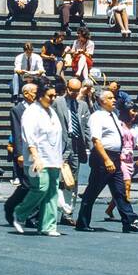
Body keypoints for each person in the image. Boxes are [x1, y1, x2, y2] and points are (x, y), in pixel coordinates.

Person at [75, 88, 138, 232]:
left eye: (113, 98)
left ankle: (129, 221)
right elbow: (96, 140)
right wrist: (106, 160)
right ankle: (82, 222)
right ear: (102, 101)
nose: (114, 100)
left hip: (116, 157)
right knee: (93, 191)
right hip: (103, 157)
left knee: (120, 191)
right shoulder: (97, 116)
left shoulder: (113, 115)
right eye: (110, 98)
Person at [13, 81, 66, 236]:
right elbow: (29, 137)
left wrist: (60, 159)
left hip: (53, 159)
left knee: (52, 192)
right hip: (36, 159)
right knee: (41, 187)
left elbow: (57, 137)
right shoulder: (31, 112)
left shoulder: (51, 112)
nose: (53, 98)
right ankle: (20, 214)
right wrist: (36, 157)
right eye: (50, 95)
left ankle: (48, 226)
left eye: (54, 95)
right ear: (41, 95)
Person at [51, 75, 91, 225]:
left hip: (76, 145)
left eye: (77, 90)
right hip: (60, 144)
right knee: (57, 179)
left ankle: (67, 213)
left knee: (71, 181)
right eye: (71, 90)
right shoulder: (57, 103)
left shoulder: (83, 105)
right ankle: (52, 210)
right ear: (67, 88)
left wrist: (90, 146)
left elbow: (86, 128)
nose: (74, 93)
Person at [3, 82, 37, 225]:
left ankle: (32, 217)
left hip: (37, 151)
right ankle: (11, 205)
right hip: (24, 151)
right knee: (28, 184)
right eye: (34, 92)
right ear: (26, 94)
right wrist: (19, 154)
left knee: (35, 184)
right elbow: (17, 133)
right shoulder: (17, 110)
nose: (37, 94)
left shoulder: (39, 108)